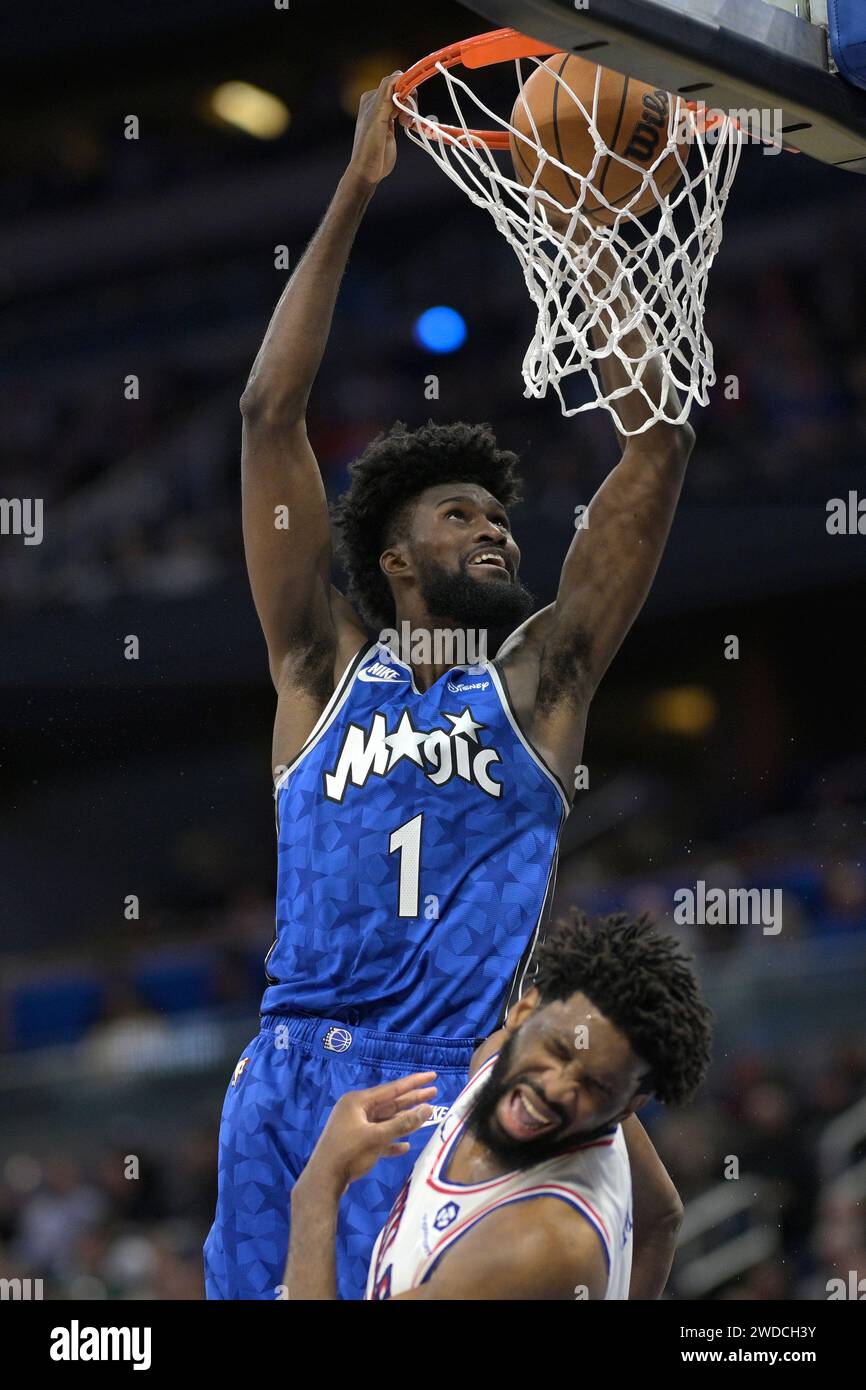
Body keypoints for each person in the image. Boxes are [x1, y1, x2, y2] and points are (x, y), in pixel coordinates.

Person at [205, 70, 696, 1300]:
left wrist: (581, 233)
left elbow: (657, 445)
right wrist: (352, 192)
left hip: (443, 1079)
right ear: (390, 555)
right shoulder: (318, 666)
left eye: (499, 516)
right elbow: (267, 413)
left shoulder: (541, 684)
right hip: (284, 1071)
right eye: (459, 514)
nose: (494, 531)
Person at [285, 912, 712, 1299]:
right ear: (524, 1012)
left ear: (626, 1107)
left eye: (592, 1085)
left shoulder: (539, 1248)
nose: (556, 1089)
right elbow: (662, 1217)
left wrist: (320, 1184)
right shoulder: (501, 1061)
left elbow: (661, 1221)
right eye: (558, 1050)